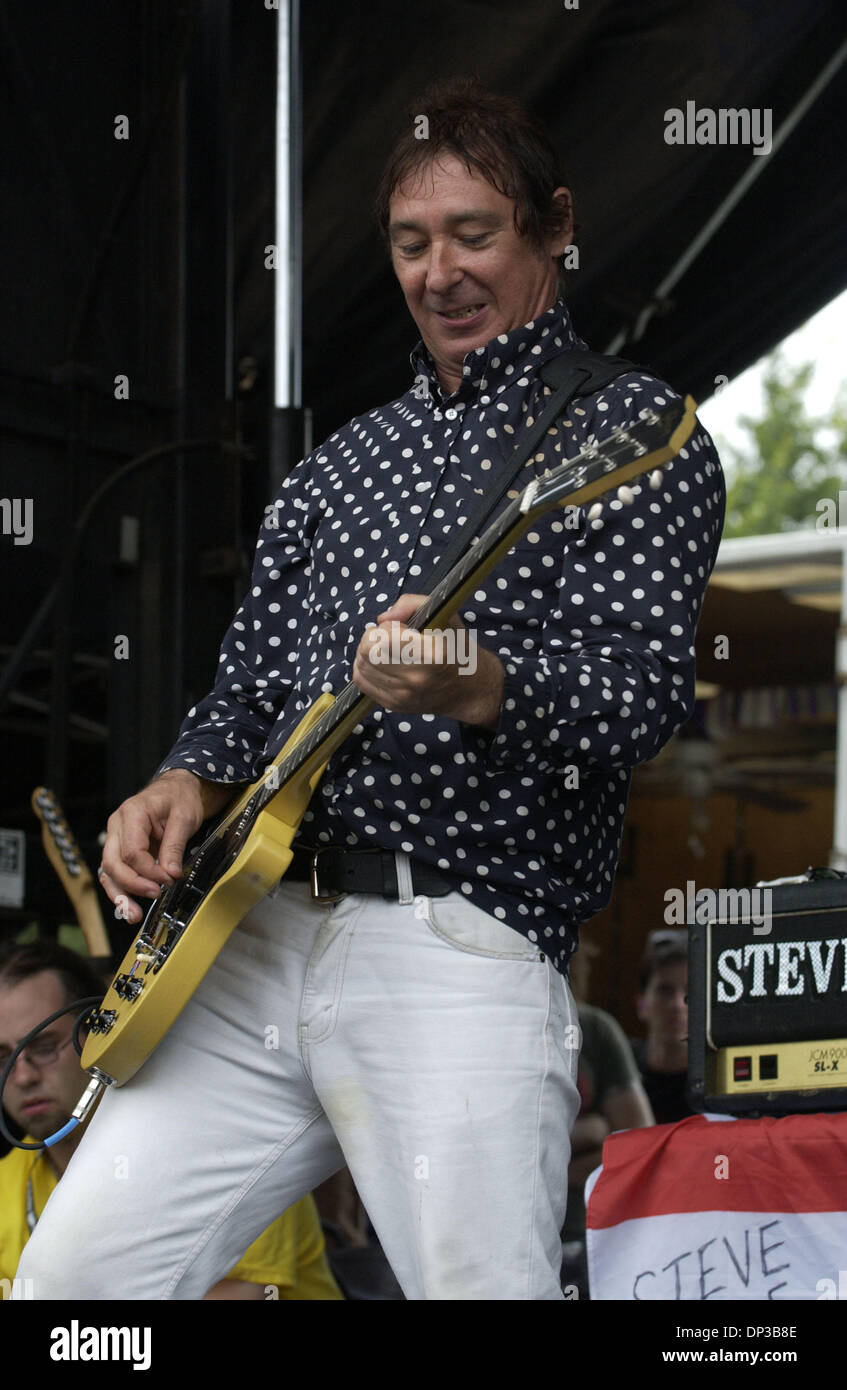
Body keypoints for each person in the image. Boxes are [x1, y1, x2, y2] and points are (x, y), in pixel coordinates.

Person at [16, 77, 724, 1301]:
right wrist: (181, 778)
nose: (437, 271)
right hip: (255, 935)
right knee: (72, 1295)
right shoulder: (338, 464)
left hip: (456, 942)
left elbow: (640, 696)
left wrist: (473, 683)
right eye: (409, 242)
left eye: (472, 234)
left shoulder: (630, 429)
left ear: (554, 226)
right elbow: (245, 692)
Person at [0, 941, 341, 1300]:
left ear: (100, 1035)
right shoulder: (7, 1181)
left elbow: (241, 1295)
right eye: (3, 1056)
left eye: (42, 1047)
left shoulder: (224, 1143)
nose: (22, 1077)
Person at [630, 929, 698, 1124]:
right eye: (664, 991)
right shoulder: (620, 1068)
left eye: (690, 990)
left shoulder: (720, 1079)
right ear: (641, 1004)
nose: (678, 1004)